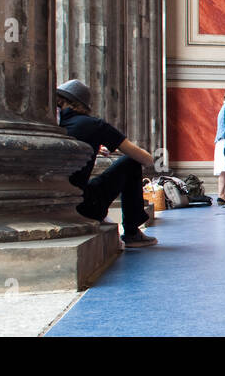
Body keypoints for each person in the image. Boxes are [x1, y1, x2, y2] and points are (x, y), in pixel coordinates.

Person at [55, 79, 158, 249]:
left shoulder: (51, 126)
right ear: (83, 105)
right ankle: (132, 232)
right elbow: (145, 159)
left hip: (46, 206)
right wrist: (114, 144)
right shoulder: (94, 125)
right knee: (130, 162)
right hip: (83, 206)